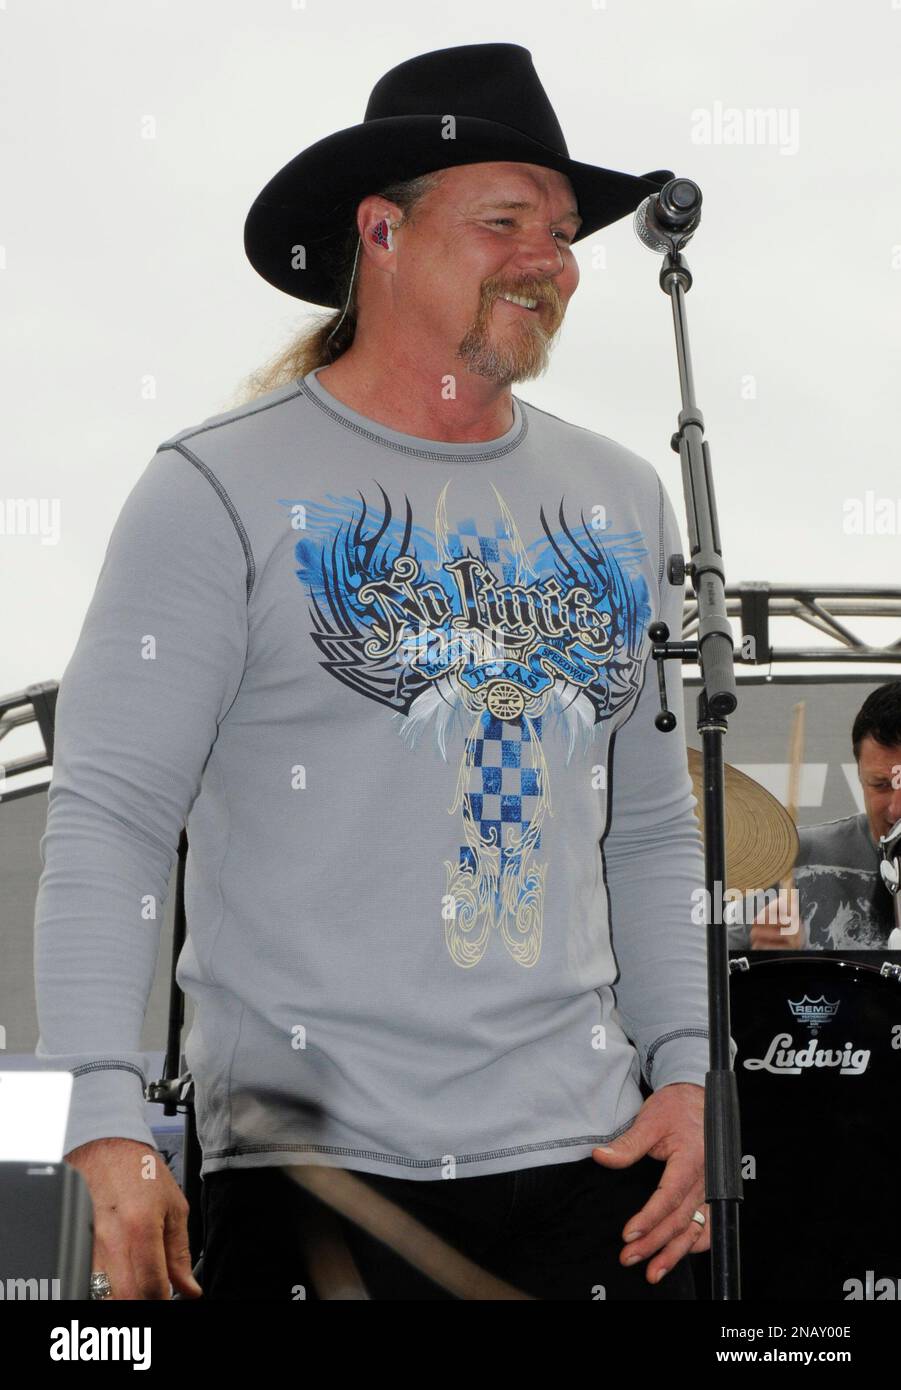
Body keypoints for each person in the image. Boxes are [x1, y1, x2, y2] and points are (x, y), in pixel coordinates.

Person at [34, 43, 714, 1301]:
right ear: (381, 234)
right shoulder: (215, 490)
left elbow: (654, 832)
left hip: (593, 1164)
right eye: (506, 219)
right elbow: (112, 816)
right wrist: (102, 1108)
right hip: (312, 1173)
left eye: (563, 232)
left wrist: (688, 1071)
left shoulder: (624, 496)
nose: (550, 259)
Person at [729, 681, 901, 951]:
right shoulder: (796, 858)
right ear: (859, 774)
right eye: (879, 785)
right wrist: (758, 950)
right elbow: (701, 968)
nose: (895, 809)